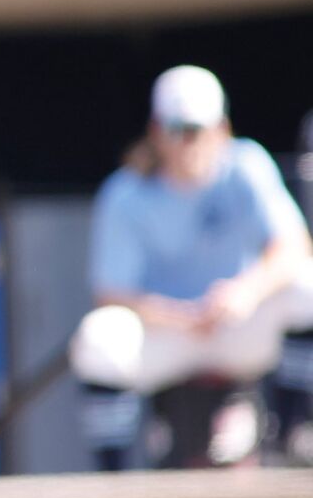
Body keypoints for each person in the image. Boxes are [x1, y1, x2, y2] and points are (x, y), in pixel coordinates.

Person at [70, 65, 313, 470]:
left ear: (222, 128)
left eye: (198, 130)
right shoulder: (126, 192)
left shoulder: (246, 165)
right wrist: (179, 316)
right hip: (168, 333)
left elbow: (295, 246)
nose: (189, 143)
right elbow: (110, 292)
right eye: (177, 130)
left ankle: (292, 435)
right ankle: (111, 481)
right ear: (156, 132)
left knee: (308, 286)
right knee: (100, 337)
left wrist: (246, 290)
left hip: (237, 325)